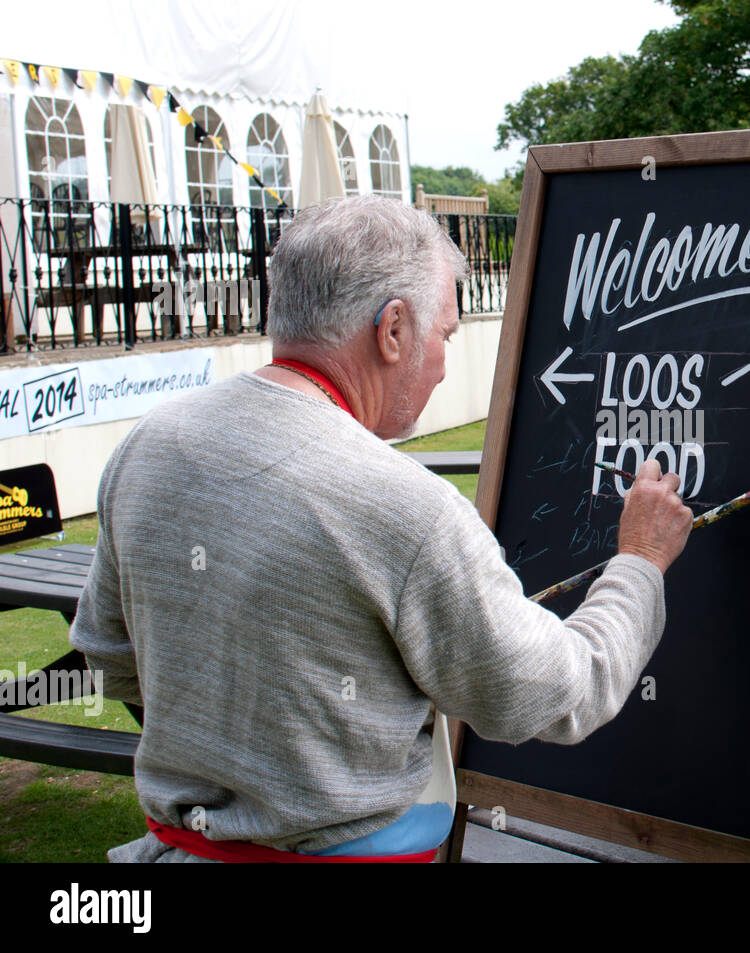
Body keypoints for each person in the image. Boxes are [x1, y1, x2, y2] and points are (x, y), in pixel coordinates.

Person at [69, 195, 694, 862]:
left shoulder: (148, 446)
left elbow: (109, 653)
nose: (445, 363)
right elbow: (558, 691)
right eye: (444, 335)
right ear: (392, 328)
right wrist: (639, 563)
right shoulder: (405, 509)